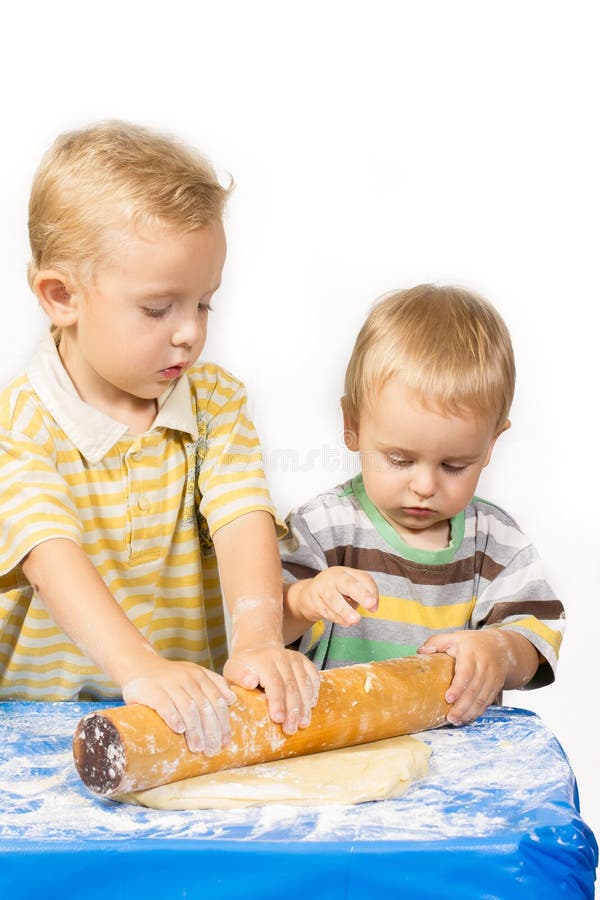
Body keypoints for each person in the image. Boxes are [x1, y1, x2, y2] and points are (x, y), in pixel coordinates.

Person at [0, 120, 319, 754]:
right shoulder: (18, 424)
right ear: (61, 296)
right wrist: (137, 667)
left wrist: (257, 640)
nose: (189, 334)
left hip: (188, 723)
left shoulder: (215, 401)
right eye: (158, 308)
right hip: (38, 732)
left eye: (204, 303)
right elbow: (47, 550)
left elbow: (240, 517)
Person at [280, 284, 565, 726]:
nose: (425, 485)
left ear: (491, 444)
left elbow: (537, 639)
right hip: (341, 749)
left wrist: (499, 651)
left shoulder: (495, 542)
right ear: (352, 426)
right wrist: (303, 600)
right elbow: (263, 631)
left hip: (459, 763)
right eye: (399, 460)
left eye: (454, 465)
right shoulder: (323, 528)